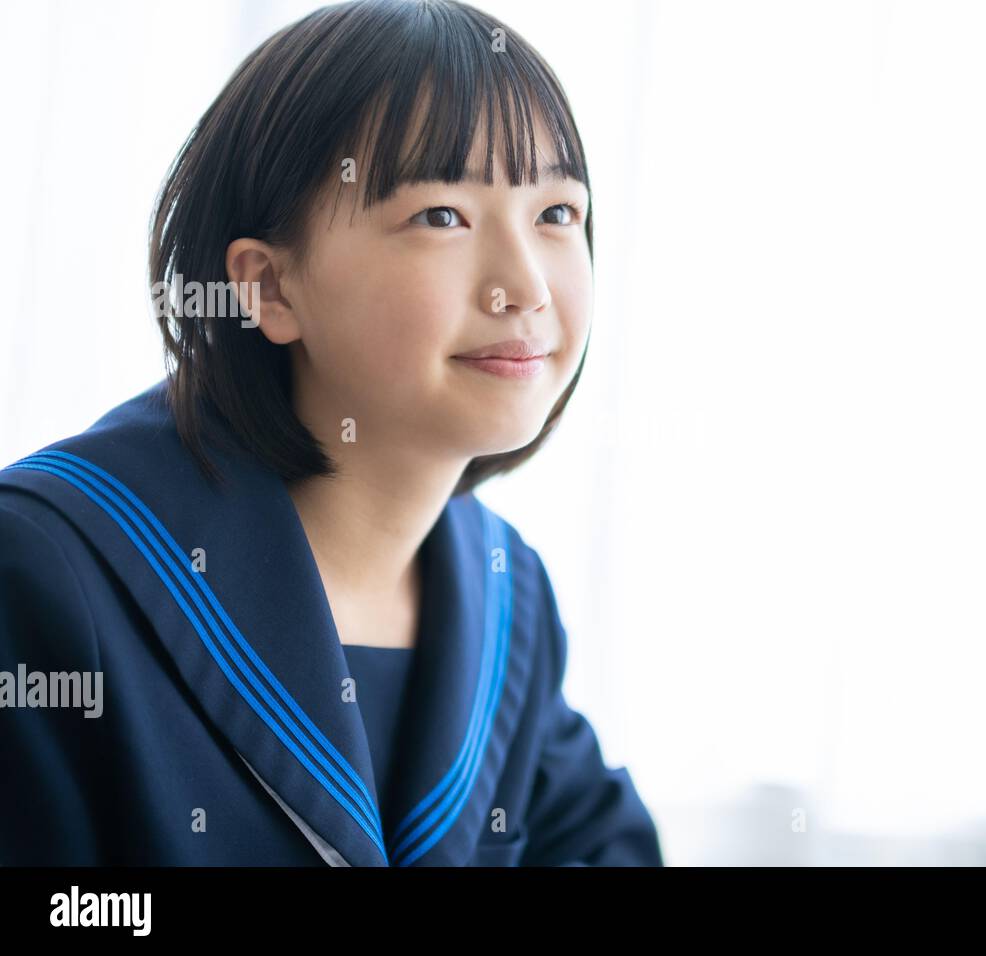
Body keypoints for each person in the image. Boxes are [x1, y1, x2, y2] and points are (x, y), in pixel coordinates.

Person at [0, 0, 662, 867]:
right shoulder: (46, 567)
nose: (525, 288)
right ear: (270, 289)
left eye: (557, 215)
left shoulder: (510, 600)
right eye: (441, 216)